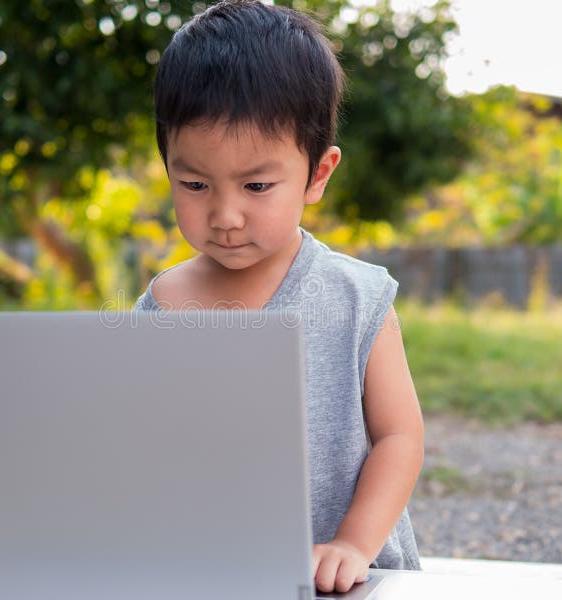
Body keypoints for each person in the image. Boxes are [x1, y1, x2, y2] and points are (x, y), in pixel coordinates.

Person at [133, 0, 424, 593]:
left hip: (350, 581)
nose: (226, 215)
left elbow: (400, 436)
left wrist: (352, 543)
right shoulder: (159, 306)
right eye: (194, 184)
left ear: (318, 173)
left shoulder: (357, 297)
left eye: (257, 185)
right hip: (222, 575)